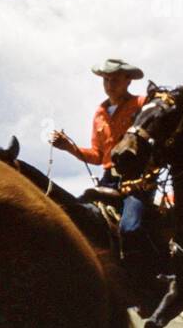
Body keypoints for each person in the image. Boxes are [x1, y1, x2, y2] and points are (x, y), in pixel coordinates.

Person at [49, 59, 153, 260]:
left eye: (115, 80)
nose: (109, 84)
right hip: (108, 180)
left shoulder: (142, 104)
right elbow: (97, 155)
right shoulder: (100, 113)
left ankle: (145, 273)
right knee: (74, 218)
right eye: (106, 80)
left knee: (130, 228)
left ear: (128, 81)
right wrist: (69, 148)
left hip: (137, 181)